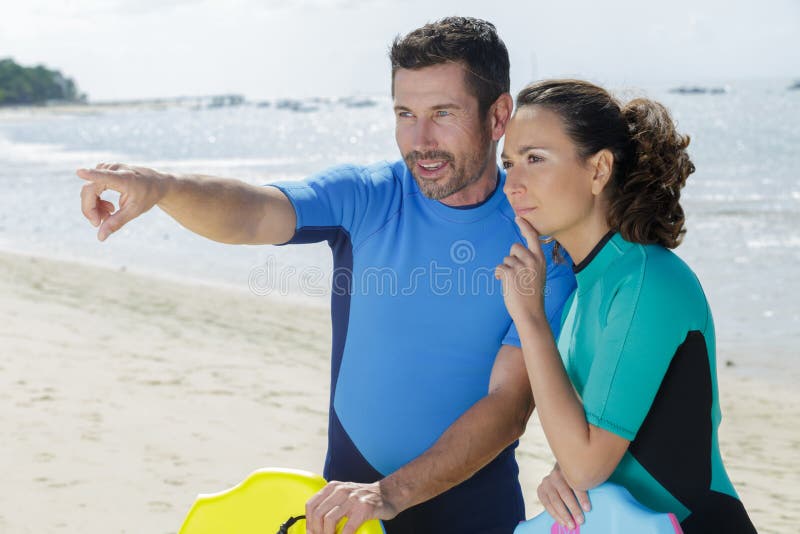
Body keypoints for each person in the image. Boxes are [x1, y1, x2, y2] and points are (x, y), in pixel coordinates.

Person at [76, 18, 576, 534]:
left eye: (442, 114)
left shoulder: (543, 246)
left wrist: (389, 494)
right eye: (405, 114)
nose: (420, 140)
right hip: (346, 511)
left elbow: (508, 405)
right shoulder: (369, 197)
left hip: (474, 516)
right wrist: (163, 188)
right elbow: (252, 212)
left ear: (498, 117)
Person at [496, 79, 756, 533]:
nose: (513, 183)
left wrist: (531, 318)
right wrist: (558, 482)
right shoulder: (587, 290)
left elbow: (588, 464)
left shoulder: (645, 281)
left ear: (599, 171)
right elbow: (587, 451)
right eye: (509, 163)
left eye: (535, 159)